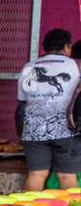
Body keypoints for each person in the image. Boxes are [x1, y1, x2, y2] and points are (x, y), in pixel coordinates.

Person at [17, 28, 80, 191]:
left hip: (34, 129)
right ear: (67, 46)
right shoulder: (75, 66)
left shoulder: (28, 67)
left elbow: (22, 103)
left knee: (36, 174)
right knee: (67, 175)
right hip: (67, 130)